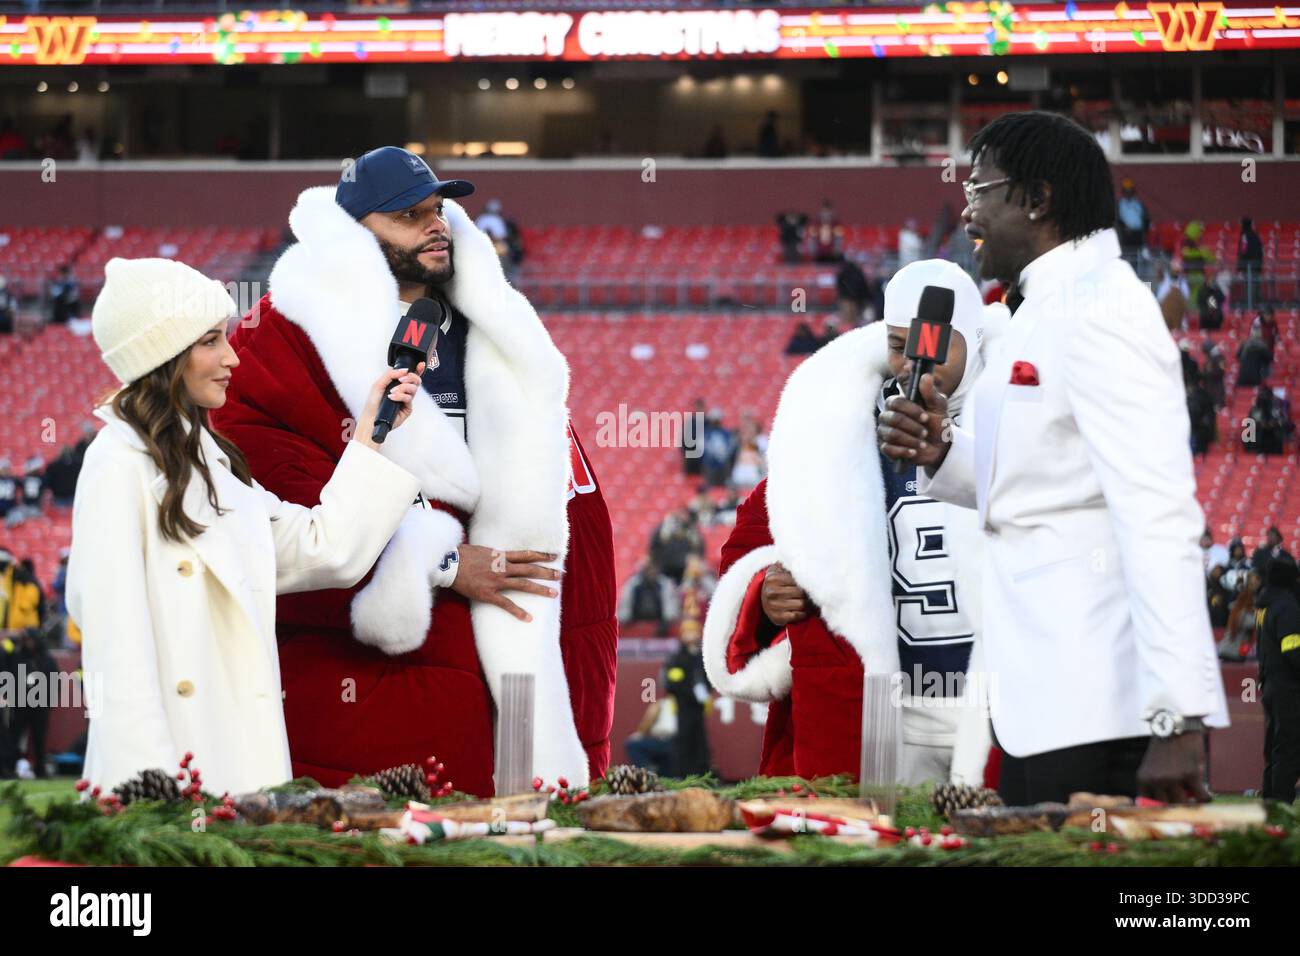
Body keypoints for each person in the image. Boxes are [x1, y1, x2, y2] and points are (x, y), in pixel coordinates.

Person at [211, 147, 618, 793]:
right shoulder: (281, 342)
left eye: (438, 210)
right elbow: (279, 512)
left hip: (510, 656)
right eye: (408, 216)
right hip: (374, 671)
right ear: (354, 236)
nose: (436, 225)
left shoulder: (498, 333)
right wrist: (446, 565)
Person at [878, 111, 1228, 805]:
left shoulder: (1103, 313)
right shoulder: (1039, 310)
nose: (966, 208)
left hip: (1106, 706)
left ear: (1037, 199)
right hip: (1040, 701)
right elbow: (1037, 487)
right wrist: (941, 451)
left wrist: (1178, 713)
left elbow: (1157, 515)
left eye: (980, 190)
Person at [66, 256, 425, 796]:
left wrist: (371, 435)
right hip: (171, 777)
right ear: (165, 356)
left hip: (239, 769)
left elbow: (324, 548)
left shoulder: (215, 465)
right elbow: (115, 650)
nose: (232, 356)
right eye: (210, 341)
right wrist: (148, 796)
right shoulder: (116, 463)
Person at [704, 259, 1002, 786]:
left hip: (997, 707)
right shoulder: (840, 429)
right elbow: (753, 542)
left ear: (974, 338)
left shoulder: (1020, 413)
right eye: (897, 342)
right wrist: (764, 594)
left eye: (934, 341)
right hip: (886, 710)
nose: (914, 360)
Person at [1256, 556, 1300, 801]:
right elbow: (1292, 649)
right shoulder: (1287, 606)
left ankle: (1270, 803)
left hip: (1269, 682)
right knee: (1288, 748)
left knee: (1274, 748)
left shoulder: (1264, 605)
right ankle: (1280, 805)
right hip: (1288, 687)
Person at [617, 557, 679, 629]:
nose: (651, 572)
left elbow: (670, 607)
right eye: (648, 569)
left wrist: (668, 621)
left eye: (653, 569)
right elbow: (626, 605)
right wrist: (626, 619)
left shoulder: (665, 584)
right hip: (635, 624)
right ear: (643, 571)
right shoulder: (633, 584)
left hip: (659, 624)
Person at [1115, 178, 1149, 263]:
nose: (1128, 193)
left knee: (1138, 257)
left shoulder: (1138, 204)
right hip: (1126, 235)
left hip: (1138, 234)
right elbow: (1117, 219)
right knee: (1128, 256)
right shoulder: (1120, 205)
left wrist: (1145, 229)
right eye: (1126, 191)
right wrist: (1124, 227)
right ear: (1123, 192)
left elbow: (1145, 217)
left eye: (1130, 190)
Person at [1237, 216, 1264, 312]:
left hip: (1248, 267)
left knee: (1249, 286)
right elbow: (1261, 251)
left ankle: (1250, 308)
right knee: (1255, 286)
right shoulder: (1256, 235)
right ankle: (1255, 306)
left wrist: (1240, 266)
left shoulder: (1245, 236)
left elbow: (1243, 251)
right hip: (1256, 266)